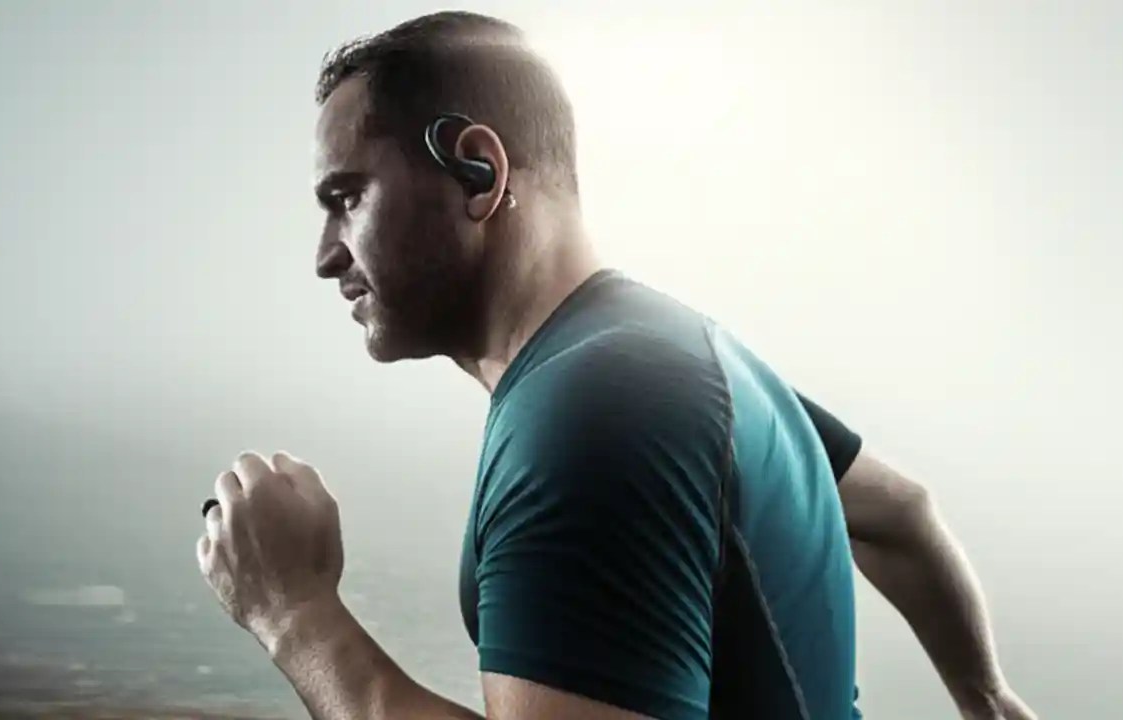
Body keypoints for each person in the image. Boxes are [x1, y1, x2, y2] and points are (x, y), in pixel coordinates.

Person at [194, 11, 1037, 720]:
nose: (323, 256)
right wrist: (987, 699)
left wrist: (292, 612)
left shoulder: (593, 410)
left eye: (347, 198)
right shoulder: (673, 349)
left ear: (479, 172)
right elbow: (898, 513)